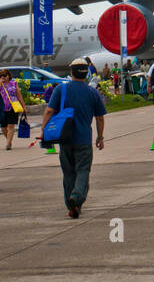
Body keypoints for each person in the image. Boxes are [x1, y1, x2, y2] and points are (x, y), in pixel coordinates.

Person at [40, 58, 106, 218]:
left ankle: (71, 204)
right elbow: (99, 118)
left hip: (65, 139)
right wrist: (100, 137)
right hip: (83, 140)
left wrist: (44, 130)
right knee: (83, 170)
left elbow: (49, 111)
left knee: (68, 173)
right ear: (86, 73)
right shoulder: (92, 92)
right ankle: (76, 197)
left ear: (71, 72)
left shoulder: (61, 90)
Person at [0, 67, 23, 151]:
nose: (3, 77)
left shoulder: (14, 83)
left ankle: (8, 144)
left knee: (11, 125)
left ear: (8, 76)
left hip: (12, 107)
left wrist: (23, 106)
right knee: (3, 128)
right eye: (1, 76)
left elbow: (19, 95)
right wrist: (0, 82)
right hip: (2, 108)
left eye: (5, 75)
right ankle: (9, 140)